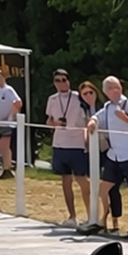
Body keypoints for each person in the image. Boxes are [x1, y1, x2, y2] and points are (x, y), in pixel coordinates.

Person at [88, 77, 128, 238]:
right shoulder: (107, 107)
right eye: (112, 88)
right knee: (103, 190)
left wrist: (125, 117)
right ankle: (102, 221)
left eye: (118, 87)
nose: (116, 90)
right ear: (106, 92)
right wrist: (92, 122)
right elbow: (96, 117)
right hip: (115, 155)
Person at [45, 67, 91, 227]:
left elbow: (88, 119)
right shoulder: (52, 99)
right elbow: (48, 121)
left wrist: (87, 139)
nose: (61, 83)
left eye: (63, 80)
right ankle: (72, 216)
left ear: (68, 81)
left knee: (81, 179)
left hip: (77, 143)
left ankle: (91, 214)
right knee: (65, 180)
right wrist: (55, 123)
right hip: (60, 143)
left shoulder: (79, 98)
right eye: (57, 81)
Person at [0, 70, 22, 174]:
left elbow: (18, 102)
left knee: (4, 144)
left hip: (6, 122)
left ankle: (7, 167)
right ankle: (4, 166)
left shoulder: (8, 90)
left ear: (3, 77)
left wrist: (11, 116)